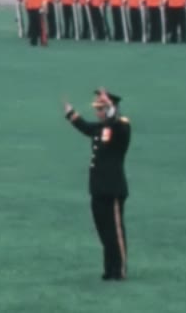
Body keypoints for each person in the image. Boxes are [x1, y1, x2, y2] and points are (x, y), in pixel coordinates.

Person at [64, 89, 132, 281]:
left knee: (115, 232)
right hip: (98, 190)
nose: (98, 112)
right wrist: (69, 112)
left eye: (101, 108)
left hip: (113, 190)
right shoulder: (100, 129)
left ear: (111, 109)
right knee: (104, 232)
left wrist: (111, 108)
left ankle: (119, 270)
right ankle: (109, 270)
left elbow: (117, 124)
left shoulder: (121, 127)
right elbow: (85, 127)